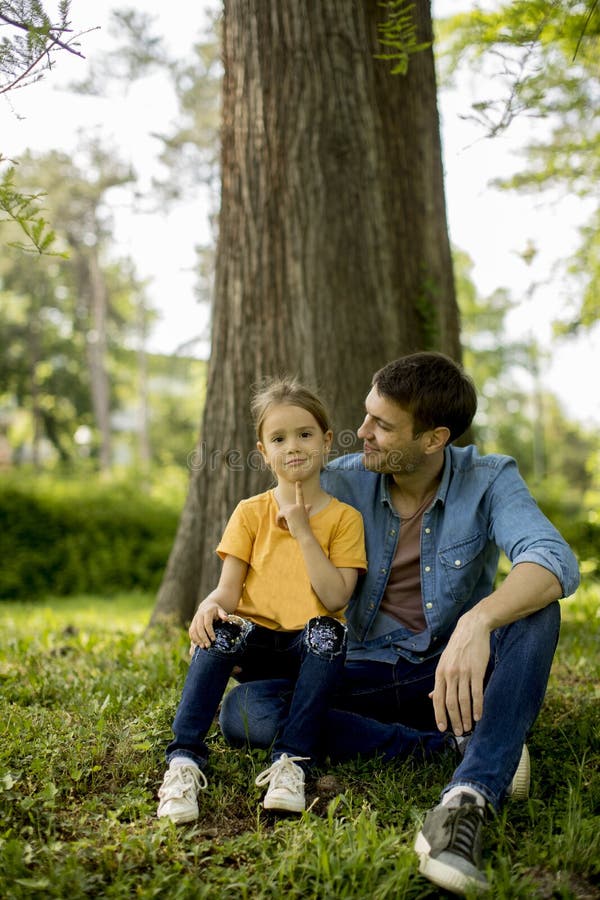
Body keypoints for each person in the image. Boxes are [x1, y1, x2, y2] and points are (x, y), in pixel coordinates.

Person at [219, 352, 580, 896]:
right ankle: (455, 745)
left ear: (434, 439)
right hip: (353, 670)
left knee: (535, 611)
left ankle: (468, 800)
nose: (361, 433)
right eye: (367, 415)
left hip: (444, 674)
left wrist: (477, 622)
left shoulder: (489, 478)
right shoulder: (334, 482)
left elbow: (553, 560)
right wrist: (237, 620)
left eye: (382, 425)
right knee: (244, 709)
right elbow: (262, 558)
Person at [156, 377, 367, 824]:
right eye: (279, 438)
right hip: (254, 648)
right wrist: (208, 605)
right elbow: (228, 589)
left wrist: (303, 530)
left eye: (305, 434)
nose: (293, 447)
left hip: (308, 650)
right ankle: (184, 760)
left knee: (328, 631)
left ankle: (291, 762)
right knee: (225, 624)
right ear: (263, 452)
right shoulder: (250, 512)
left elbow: (334, 598)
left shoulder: (345, 519)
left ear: (326, 441)